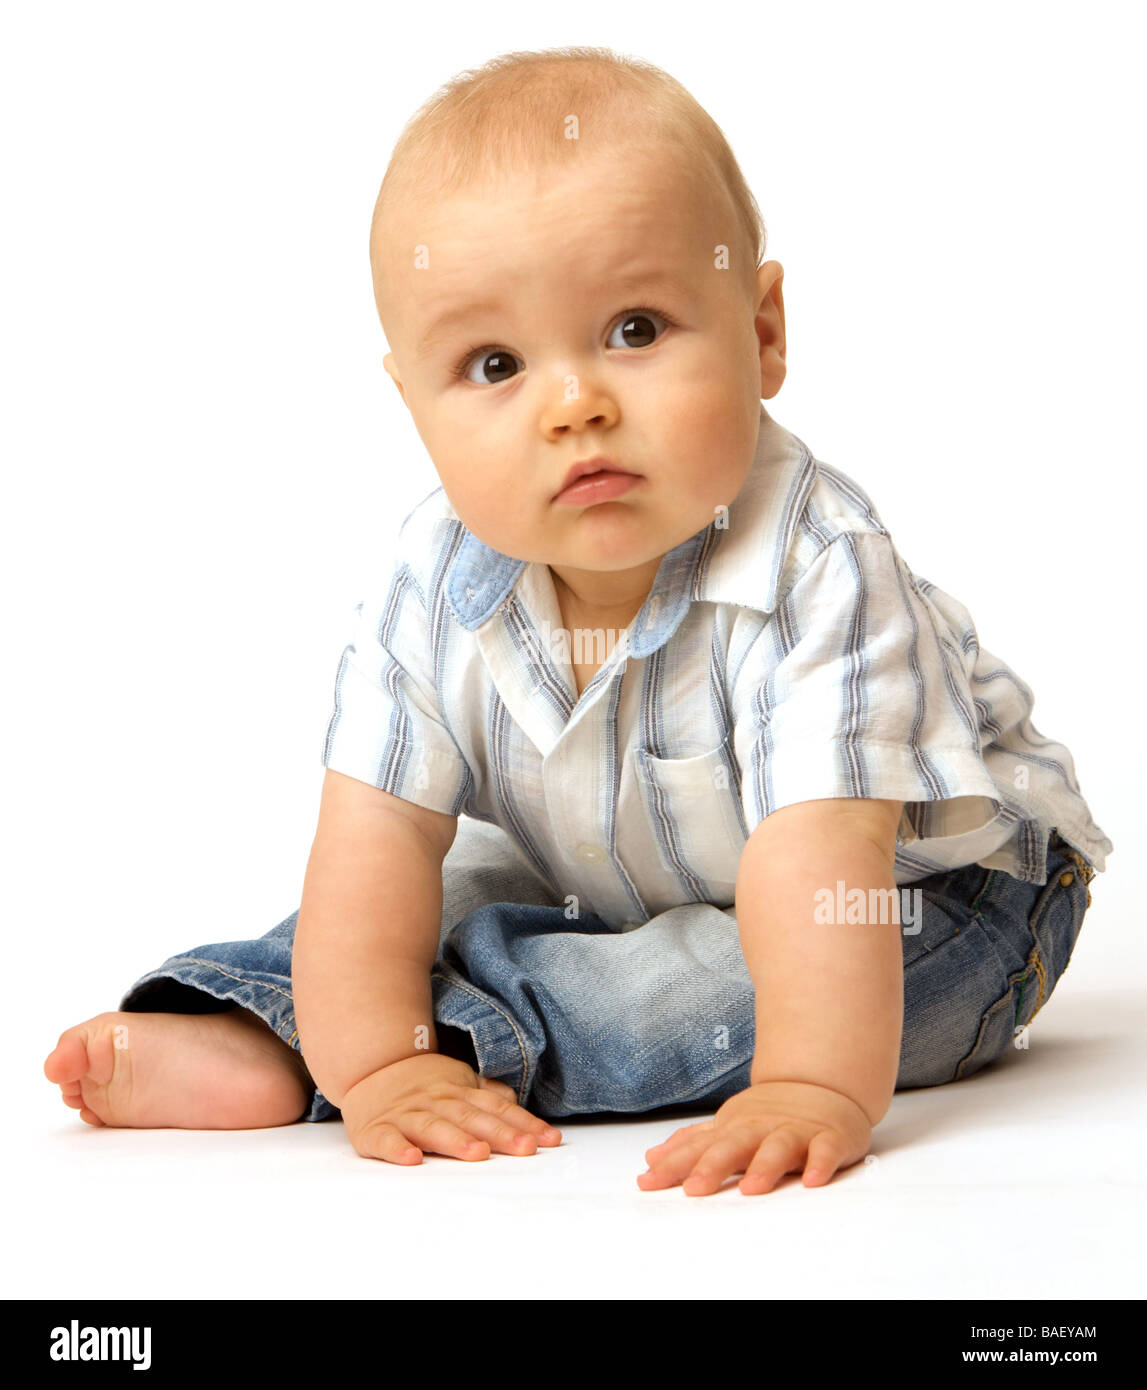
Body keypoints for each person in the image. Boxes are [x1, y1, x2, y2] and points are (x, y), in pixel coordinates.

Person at [44, 46, 1111, 1197]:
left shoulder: (816, 563)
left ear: (760, 335)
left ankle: (366, 1044)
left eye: (636, 329)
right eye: (495, 363)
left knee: (690, 983)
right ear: (414, 405)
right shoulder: (429, 577)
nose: (575, 405)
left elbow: (816, 867)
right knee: (431, 891)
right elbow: (374, 842)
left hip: (925, 906)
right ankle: (294, 1020)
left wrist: (811, 1085)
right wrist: (377, 1060)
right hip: (623, 864)